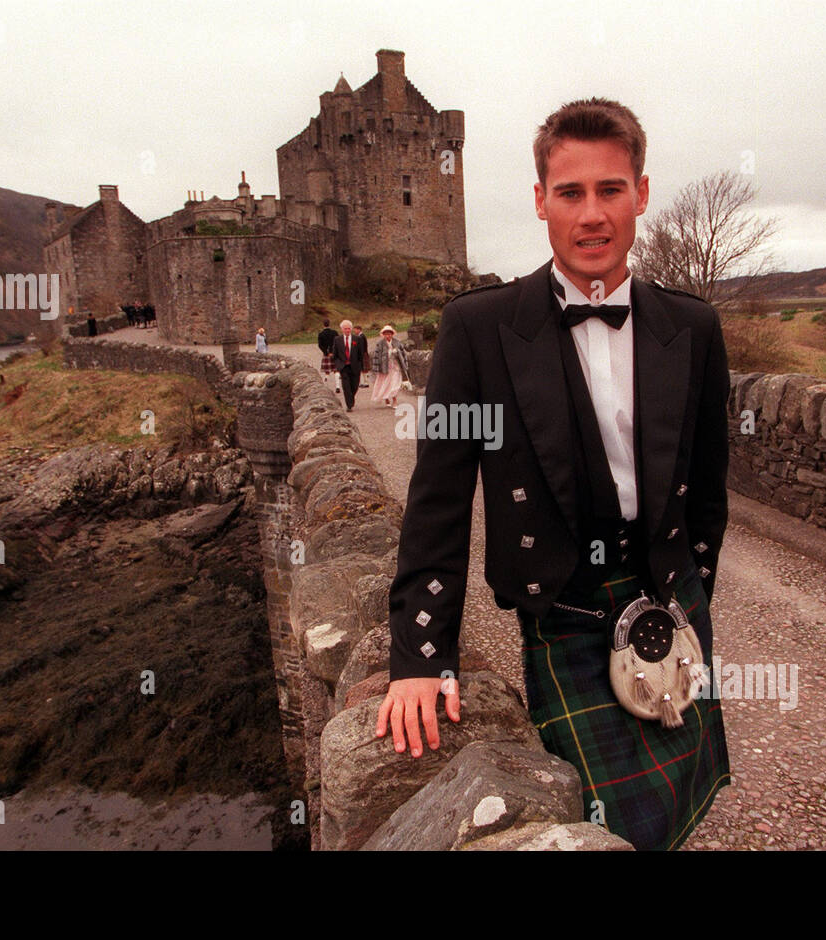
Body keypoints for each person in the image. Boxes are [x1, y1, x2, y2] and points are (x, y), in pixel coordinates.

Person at [375, 98, 732, 851]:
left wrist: (693, 592)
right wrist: (421, 653)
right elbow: (438, 496)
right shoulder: (477, 330)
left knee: (673, 813)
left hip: (669, 600)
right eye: (570, 193)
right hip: (566, 609)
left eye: (610, 189)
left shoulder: (692, 326)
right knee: (591, 820)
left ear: (641, 192)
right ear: (540, 201)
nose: (592, 214)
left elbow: (707, 482)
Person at [369, 325, 408, 408]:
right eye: (386, 334)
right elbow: (376, 356)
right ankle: (386, 399)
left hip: (396, 367)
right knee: (385, 384)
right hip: (384, 367)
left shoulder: (397, 342)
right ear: (383, 335)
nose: (388, 336)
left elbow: (403, 354)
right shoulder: (380, 344)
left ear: (392, 334)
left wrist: (404, 363)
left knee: (395, 384)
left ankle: (394, 401)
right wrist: (376, 368)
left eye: (389, 334)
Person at [330, 319, 363, 412]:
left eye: (349, 329)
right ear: (342, 329)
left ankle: (351, 398)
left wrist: (361, 366)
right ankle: (349, 405)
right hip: (344, 367)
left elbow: (361, 354)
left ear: (351, 329)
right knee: (346, 386)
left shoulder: (357, 339)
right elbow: (335, 354)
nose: (347, 330)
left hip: (355, 366)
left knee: (355, 385)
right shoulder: (337, 340)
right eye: (345, 329)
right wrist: (338, 365)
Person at [317, 319, 339, 393]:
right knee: (336, 370)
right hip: (335, 354)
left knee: (327, 371)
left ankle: (326, 387)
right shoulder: (334, 332)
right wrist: (334, 352)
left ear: (323, 325)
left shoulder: (321, 334)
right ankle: (338, 386)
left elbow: (320, 345)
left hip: (326, 354)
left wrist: (326, 353)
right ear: (329, 324)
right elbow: (338, 342)